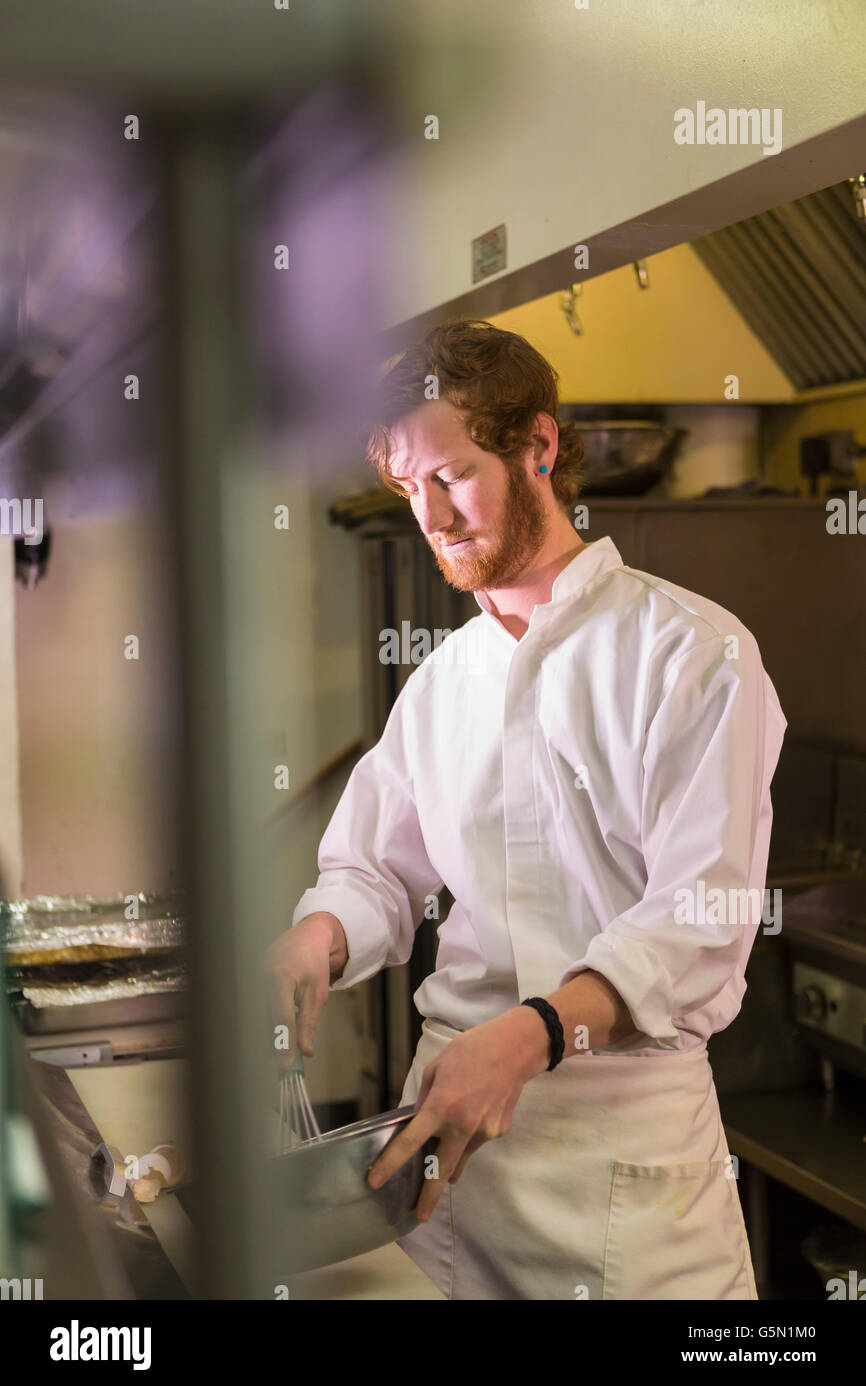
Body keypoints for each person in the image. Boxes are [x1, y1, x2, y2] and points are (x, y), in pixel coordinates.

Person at [271, 319, 787, 1300]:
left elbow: (699, 915)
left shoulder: (690, 655)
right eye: (408, 490)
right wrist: (317, 939)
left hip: (619, 1174)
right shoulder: (441, 680)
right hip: (445, 1172)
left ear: (538, 447)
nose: (434, 517)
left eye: (453, 476)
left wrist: (530, 1035)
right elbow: (373, 870)